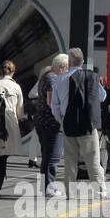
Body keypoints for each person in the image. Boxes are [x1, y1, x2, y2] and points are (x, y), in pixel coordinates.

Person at [51, 47, 107, 194]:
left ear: (69, 62)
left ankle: (70, 193)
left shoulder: (60, 80)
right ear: (82, 61)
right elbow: (102, 97)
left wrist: (61, 121)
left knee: (70, 161)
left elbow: (54, 106)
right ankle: (100, 191)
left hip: (68, 125)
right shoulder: (92, 77)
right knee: (93, 159)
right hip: (87, 124)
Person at [0, 59, 26, 198]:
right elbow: (19, 111)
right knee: (2, 157)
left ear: (0, 70)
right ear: (13, 72)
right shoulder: (16, 87)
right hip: (8, 124)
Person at [32, 60, 65, 195]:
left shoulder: (46, 76)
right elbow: (51, 102)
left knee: (47, 156)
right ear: (62, 67)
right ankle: (49, 187)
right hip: (50, 123)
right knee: (53, 157)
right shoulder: (53, 79)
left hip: (42, 122)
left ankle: (45, 187)